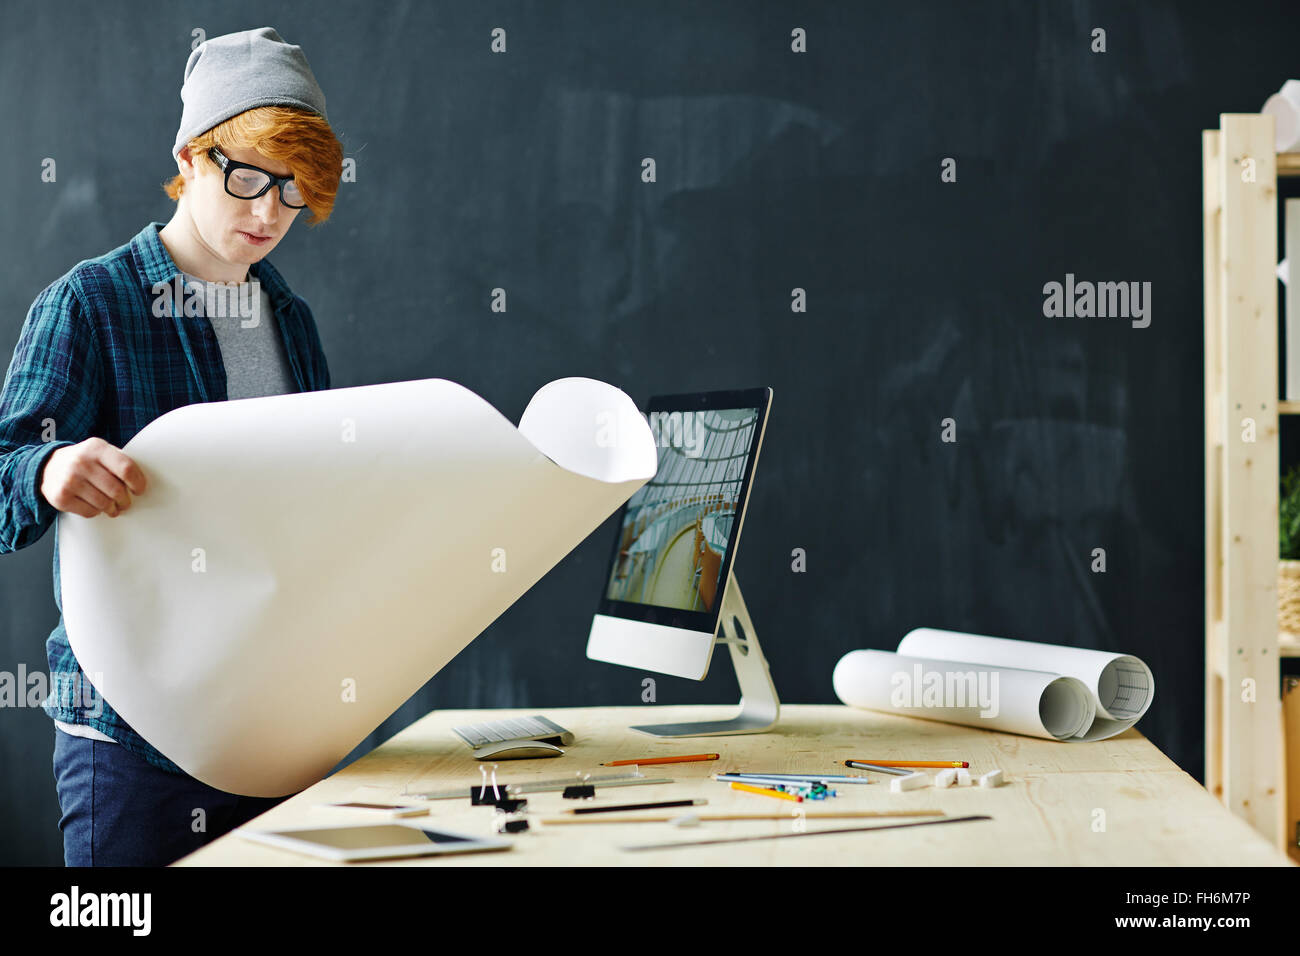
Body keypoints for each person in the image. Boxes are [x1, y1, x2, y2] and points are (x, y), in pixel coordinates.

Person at [0, 27, 342, 865]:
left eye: (294, 188)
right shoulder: (88, 303)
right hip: (130, 740)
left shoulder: (289, 320)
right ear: (190, 157)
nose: (270, 211)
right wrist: (46, 468)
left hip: (273, 723)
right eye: (248, 176)